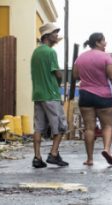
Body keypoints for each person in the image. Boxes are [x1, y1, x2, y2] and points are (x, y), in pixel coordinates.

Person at [73, 32, 112, 166]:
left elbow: (75, 75)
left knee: (89, 128)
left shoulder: (80, 58)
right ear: (97, 42)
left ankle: (90, 159)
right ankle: (106, 150)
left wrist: (87, 78)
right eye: (103, 41)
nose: (105, 43)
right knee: (107, 126)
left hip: (85, 95)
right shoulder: (105, 57)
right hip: (103, 96)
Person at [30, 22, 68, 169]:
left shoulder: (36, 52)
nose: (57, 35)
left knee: (38, 127)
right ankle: (53, 153)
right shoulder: (51, 52)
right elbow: (57, 73)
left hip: (38, 94)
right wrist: (60, 81)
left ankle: (37, 157)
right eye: (55, 33)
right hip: (51, 94)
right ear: (47, 36)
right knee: (60, 126)